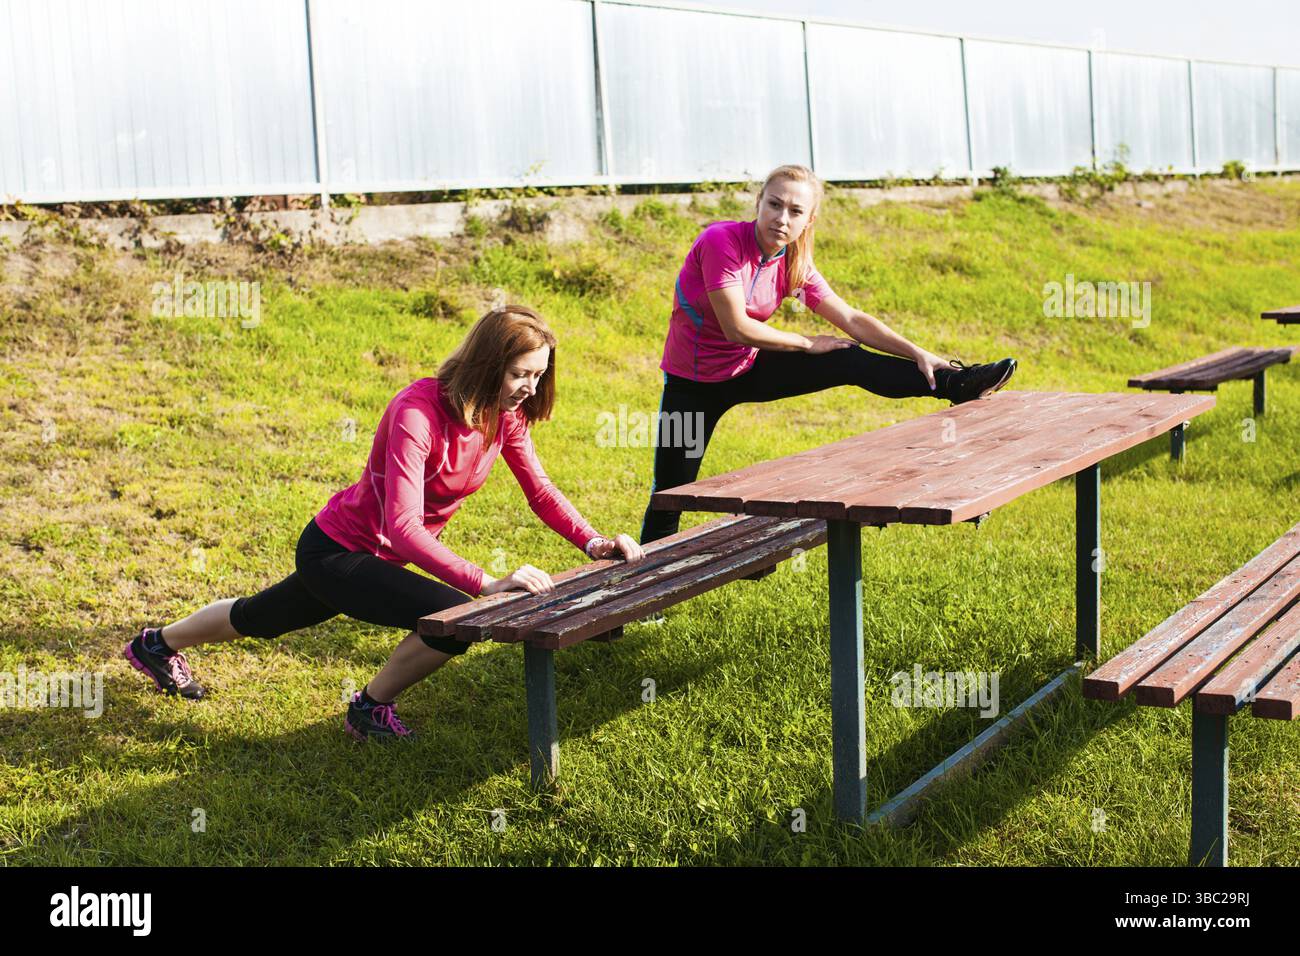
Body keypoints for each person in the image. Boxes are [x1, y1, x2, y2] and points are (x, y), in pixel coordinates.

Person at [124, 306, 644, 740]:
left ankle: (156, 645)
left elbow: (540, 490)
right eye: (520, 374)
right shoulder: (417, 412)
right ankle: (368, 708)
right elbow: (403, 526)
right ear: (488, 364)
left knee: (261, 617)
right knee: (455, 620)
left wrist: (594, 541)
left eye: (538, 374)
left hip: (378, 557)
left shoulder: (503, 414)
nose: (530, 387)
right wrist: (485, 583)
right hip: (337, 552)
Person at [639, 163, 1018, 545]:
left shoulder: (792, 261)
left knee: (846, 356)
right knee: (670, 494)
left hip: (748, 366)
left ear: (809, 219)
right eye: (774, 204)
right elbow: (736, 327)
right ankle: (645, 591)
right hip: (693, 384)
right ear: (758, 202)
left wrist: (919, 352)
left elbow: (851, 319)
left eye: (795, 211)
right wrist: (806, 343)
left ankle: (955, 382)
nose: (781, 218)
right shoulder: (721, 242)